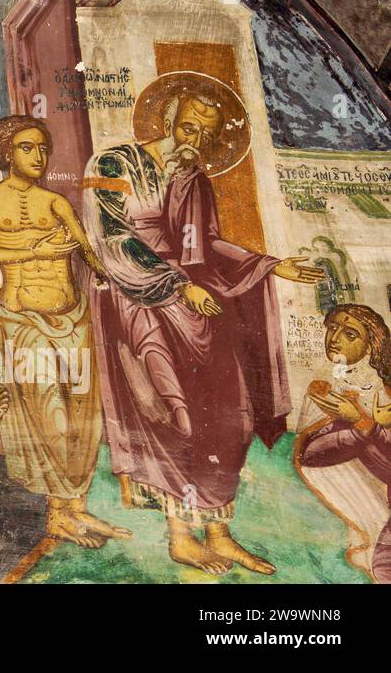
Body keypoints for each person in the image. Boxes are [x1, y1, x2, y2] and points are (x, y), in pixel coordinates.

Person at [82, 88, 323, 574]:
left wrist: (271, 266)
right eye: (187, 126)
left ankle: (220, 531)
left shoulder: (193, 177)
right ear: (166, 117)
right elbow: (112, 239)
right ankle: (181, 537)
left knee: (230, 415)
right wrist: (175, 284)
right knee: (176, 415)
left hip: (197, 299)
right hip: (139, 299)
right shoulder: (112, 164)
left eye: (205, 136)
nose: (193, 140)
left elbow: (206, 243)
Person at [0, 115, 128, 548]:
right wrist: (30, 251)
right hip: (21, 321)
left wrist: (108, 279)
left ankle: (78, 509)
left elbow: (86, 250)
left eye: (42, 148)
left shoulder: (56, 203)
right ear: (6, 153)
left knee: (82, 418)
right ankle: (58, 515)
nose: (38, 156)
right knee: (49, 415)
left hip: (73, 319)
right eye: (27, 148)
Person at [297, 304, 391, 583]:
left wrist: (364, 421)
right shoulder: (325, 381)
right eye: (333, 328)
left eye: (350, 334)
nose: (335, 338)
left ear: (371, 346)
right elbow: (310, 452)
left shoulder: (380, 386)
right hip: (335, 464)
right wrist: (363, 422)